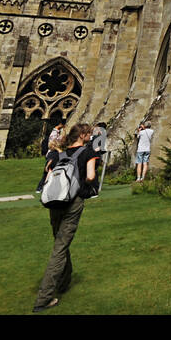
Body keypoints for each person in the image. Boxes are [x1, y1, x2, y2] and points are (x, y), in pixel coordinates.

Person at [34, 123, 98, 312]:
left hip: (55, 202)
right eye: (89, 134)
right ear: (84, 135)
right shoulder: (88, 153)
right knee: (60, 247)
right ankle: (44, 298)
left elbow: (48, 174)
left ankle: (64, 280)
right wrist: (83, 183)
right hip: (73, 202)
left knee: (60, 241)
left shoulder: (59, 154)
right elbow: (91, 176)